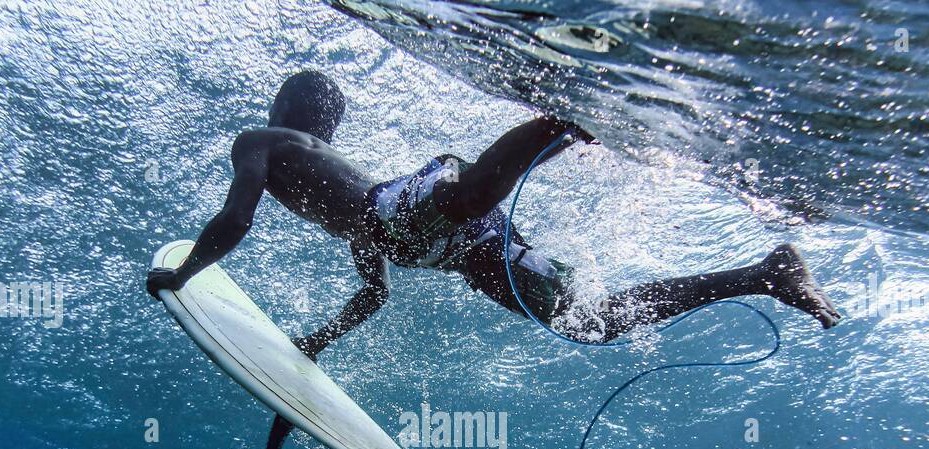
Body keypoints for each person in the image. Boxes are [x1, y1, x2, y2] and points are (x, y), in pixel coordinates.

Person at [147, 70, 841, 356]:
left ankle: (565, 117)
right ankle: (764, 272)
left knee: (470, 196)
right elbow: (376, 289)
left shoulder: (260, 142)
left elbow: (234, 221)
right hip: (454, 248)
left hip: (419, 213)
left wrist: (184, 275)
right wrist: (319, 340)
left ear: (285, 113)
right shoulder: (343, 204)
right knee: (590, 324)